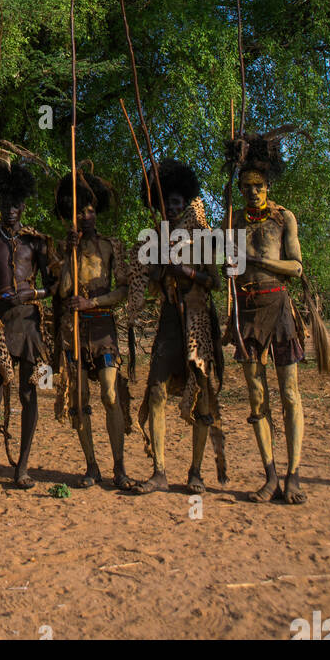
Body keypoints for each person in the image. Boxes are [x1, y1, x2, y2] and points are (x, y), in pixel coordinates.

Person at [127, 160, 224, 495]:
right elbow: (150, 279)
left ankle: (196, 472)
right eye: (167, 203)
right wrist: (159, 262)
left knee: (203, 395)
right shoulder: (154, 237)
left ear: (186, 204)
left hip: (197, 315)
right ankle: (159, 471)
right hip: (170, 316)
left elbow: (214, 281)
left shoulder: (203, 237)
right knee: (156, 389)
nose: (172, 208)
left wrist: (185, 271)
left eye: (178, 203)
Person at [225, 132, 309, 504]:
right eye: (246, 187)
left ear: (268, 184)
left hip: (279, 309)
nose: (252, 193)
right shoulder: (233, 221)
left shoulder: (282, 218)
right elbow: (225, 267)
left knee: (289, 393)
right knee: (257, 397)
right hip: (247, 312)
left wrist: (259, 262)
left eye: (258, 186)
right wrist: (229, 266)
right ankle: (270, 475)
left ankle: (293, 475)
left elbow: (295, 266)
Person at [0, 161, 55, 491]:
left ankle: (22, 467)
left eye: (16, 205)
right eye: (5, 205)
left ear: (23, 206)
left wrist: (29, 293)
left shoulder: (36, 242)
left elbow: (54, 285)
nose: (10, 211)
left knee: (28, 392)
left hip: (29, 323)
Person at [51, 166, 133, 491]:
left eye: (90, 209)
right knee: (80, 399)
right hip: (75, 331)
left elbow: (124, 289)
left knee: (110, 396)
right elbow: (62, 291)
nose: (87, 216)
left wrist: (94, 304)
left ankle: (120, 467)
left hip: (103, 330)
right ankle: (91, 465)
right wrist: (70, 253)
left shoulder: (112, 247)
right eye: (80, 211)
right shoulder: (65, 248)